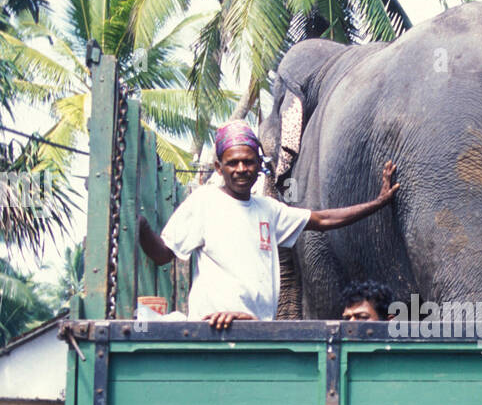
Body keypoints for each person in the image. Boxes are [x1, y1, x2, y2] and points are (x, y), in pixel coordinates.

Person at [139, 120, 398, 329]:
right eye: (233, 163)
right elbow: (163, 254)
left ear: (258, 165)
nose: (241, 168)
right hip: (214, 327)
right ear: (219, 167)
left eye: (248, 161)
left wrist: (377, 203)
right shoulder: (204, 201)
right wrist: (139, 225)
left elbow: (322, 219)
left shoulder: (268, 209)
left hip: (259, 330)